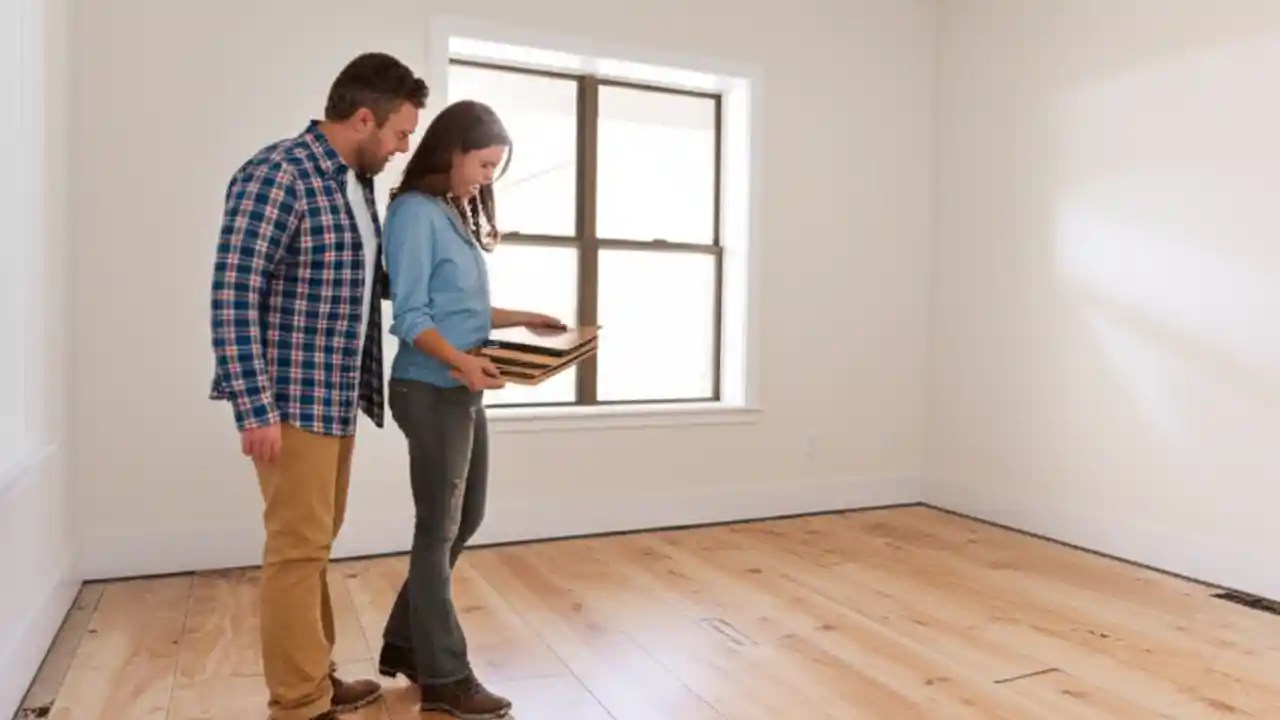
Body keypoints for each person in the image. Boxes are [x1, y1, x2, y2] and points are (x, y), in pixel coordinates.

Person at [208, 52, 428, 720]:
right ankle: (299, 702)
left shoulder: (354, 185)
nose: (401, 147)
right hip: (289, 401)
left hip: (334, 397)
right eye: (399, 133)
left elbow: (363, 282)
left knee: (313, 546)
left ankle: (315, 674)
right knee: (296, 550)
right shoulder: (279, 174)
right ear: (364, 119)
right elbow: (234, 292)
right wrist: (254, 407)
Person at [374, 100, 563, 718]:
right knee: (437, 530)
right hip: (428, 390)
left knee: (465, 518)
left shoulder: (449, 214)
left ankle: (407, 643)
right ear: (452, 152)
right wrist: (460, 361)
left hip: (460, 389)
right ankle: (446, 677)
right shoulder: (412, 214)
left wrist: (525, 318)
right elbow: (411, 317)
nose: (487, 178)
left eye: (494, 168)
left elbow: (460, 310)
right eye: (483, 164)